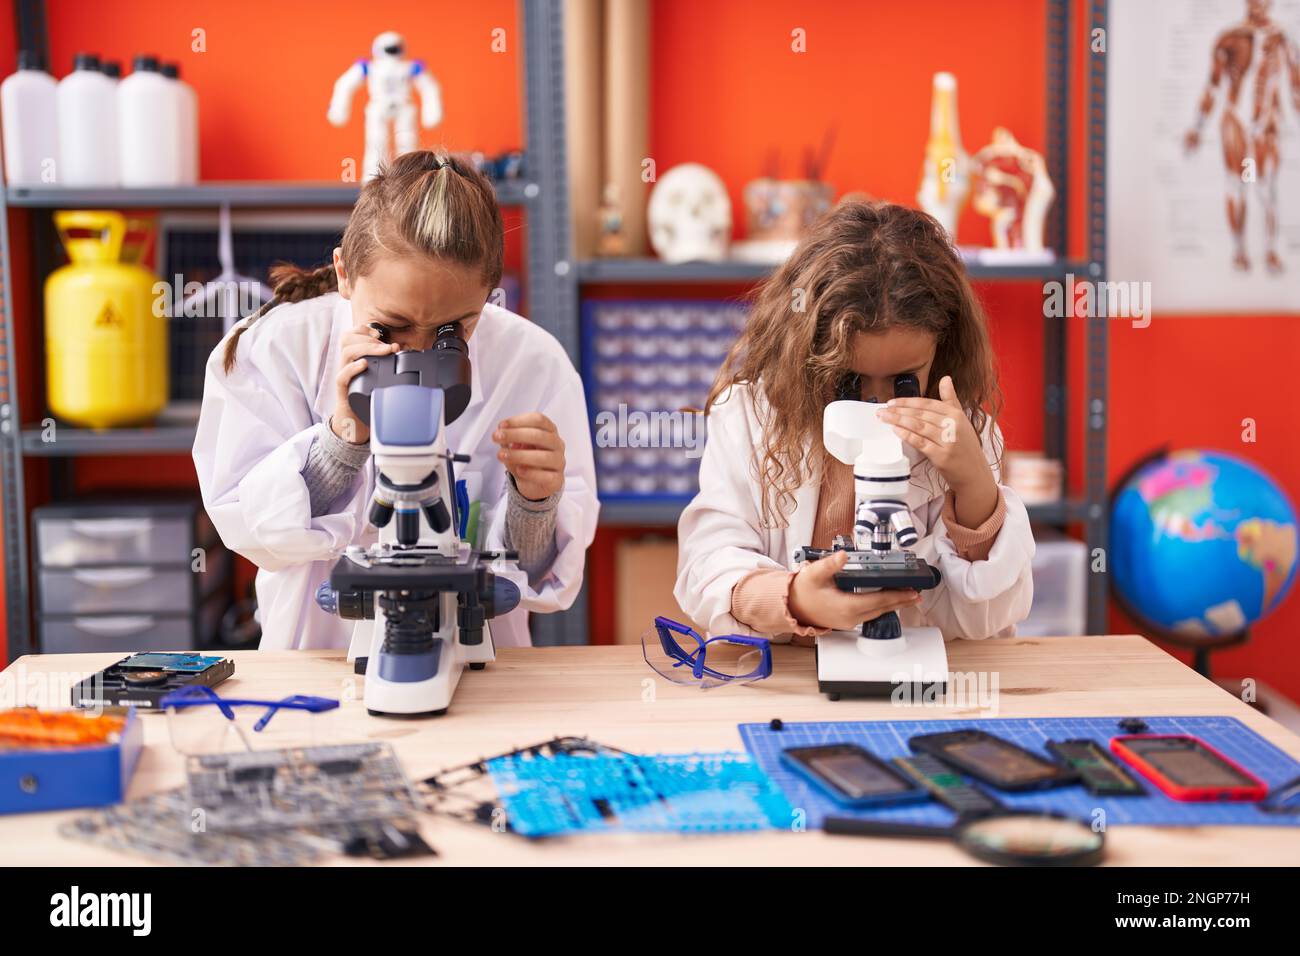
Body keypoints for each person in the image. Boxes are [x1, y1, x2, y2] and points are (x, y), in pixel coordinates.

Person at [194, 149, 597, 650]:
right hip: (315, 657)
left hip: (482, 667)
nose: (421, 352)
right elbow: (253, 533)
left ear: (488, 296)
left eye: (453, 330)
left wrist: (534, 504)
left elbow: (534, 580)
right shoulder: (276, 347)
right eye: (391, 327)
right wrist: (342, 440)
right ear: (345, 272)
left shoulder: (534, 363)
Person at [675, 200, 1034, 643]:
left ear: (940, 354)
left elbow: (986, 618)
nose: (877, 402)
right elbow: (707, 565)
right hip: (787, 677)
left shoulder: (965, 433)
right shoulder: (750, 418)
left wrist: (974, 489)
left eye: (904, 381)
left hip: (925, 676)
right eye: (849, 381)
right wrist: (792, 598)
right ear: (805, 356)